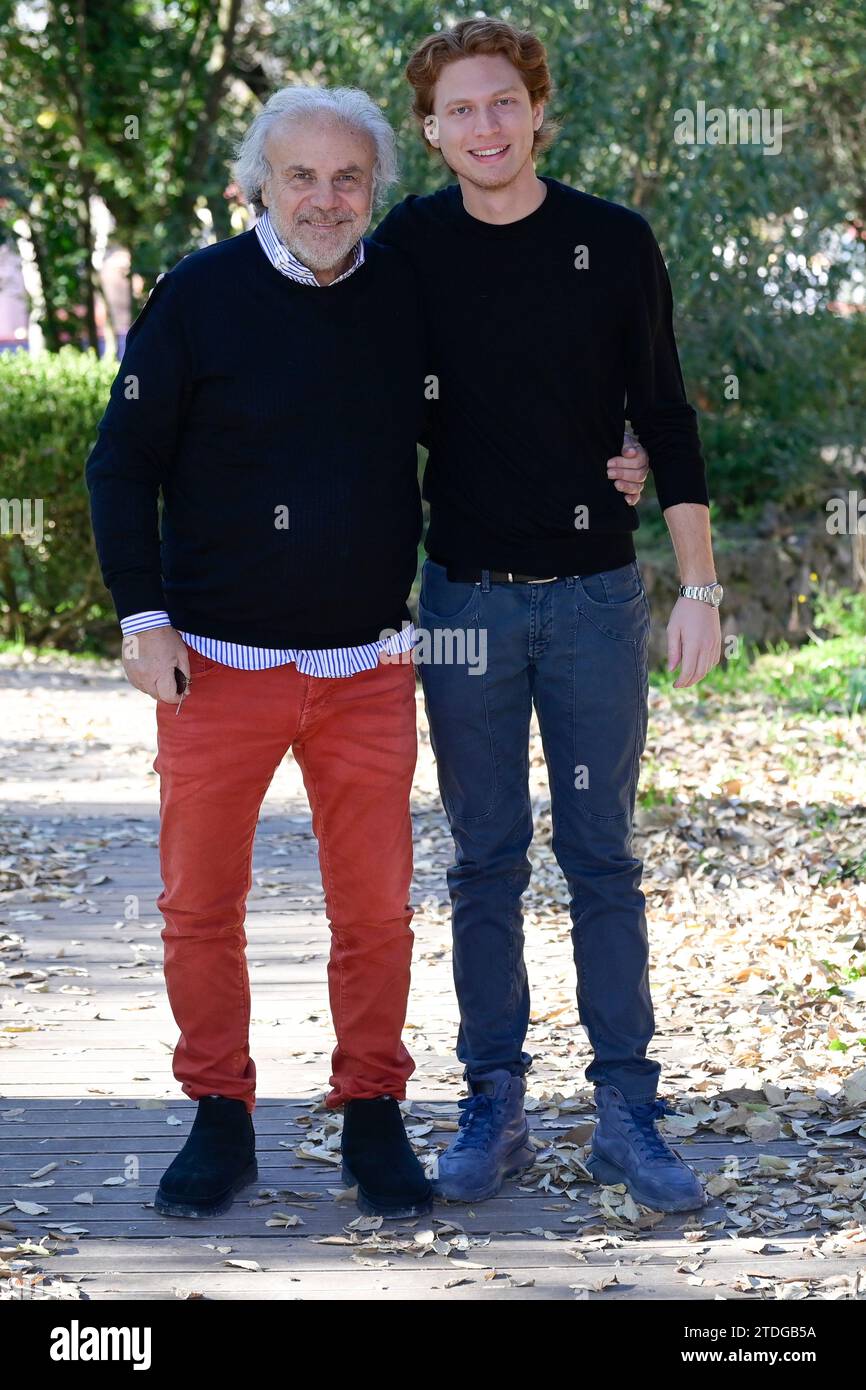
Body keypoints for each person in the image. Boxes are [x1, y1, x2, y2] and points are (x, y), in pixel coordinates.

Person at [370, 17, 722, 1212]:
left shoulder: (612, 243)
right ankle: (494, 1102)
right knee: (481, 861)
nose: (483, 125)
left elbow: (663, 414)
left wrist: (700, 589)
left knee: (602, 858)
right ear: (430, 130)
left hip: (592, 604)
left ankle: (628, 1112)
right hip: (462, 600)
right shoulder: (406, 246)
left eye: (501, 103)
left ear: (537, 111)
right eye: (457, 110)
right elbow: (366, 408)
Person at [85, 87, 436, 1220]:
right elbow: (118, 464)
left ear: (372, 189)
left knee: (375, 911)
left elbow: (485, 426)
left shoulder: (403, 297)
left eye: (347, 179)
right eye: (301, 177)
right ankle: (218, 1116)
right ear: (259, 185)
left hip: (367, 667)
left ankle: (372, 1111)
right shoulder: (197, 295)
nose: (325, 200)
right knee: (199, 904)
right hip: (215, 665)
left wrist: (614, 455)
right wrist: (143, 620)